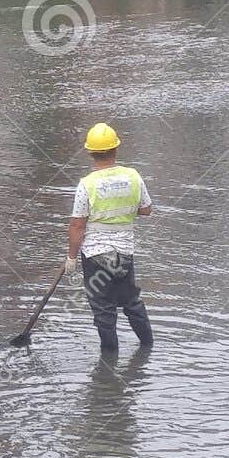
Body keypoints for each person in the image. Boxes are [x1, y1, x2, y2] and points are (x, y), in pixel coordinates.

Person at [66, 123, 153, 353]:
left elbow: (77, 225)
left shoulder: (87, 184)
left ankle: (108, 365)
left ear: (90, 152)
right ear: (116, 150)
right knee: (132, 303)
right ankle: (147, 347)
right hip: (124, 254)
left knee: (104, 311)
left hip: (96, 255)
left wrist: (71, 258)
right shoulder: (133, 176)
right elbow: (146, 210)